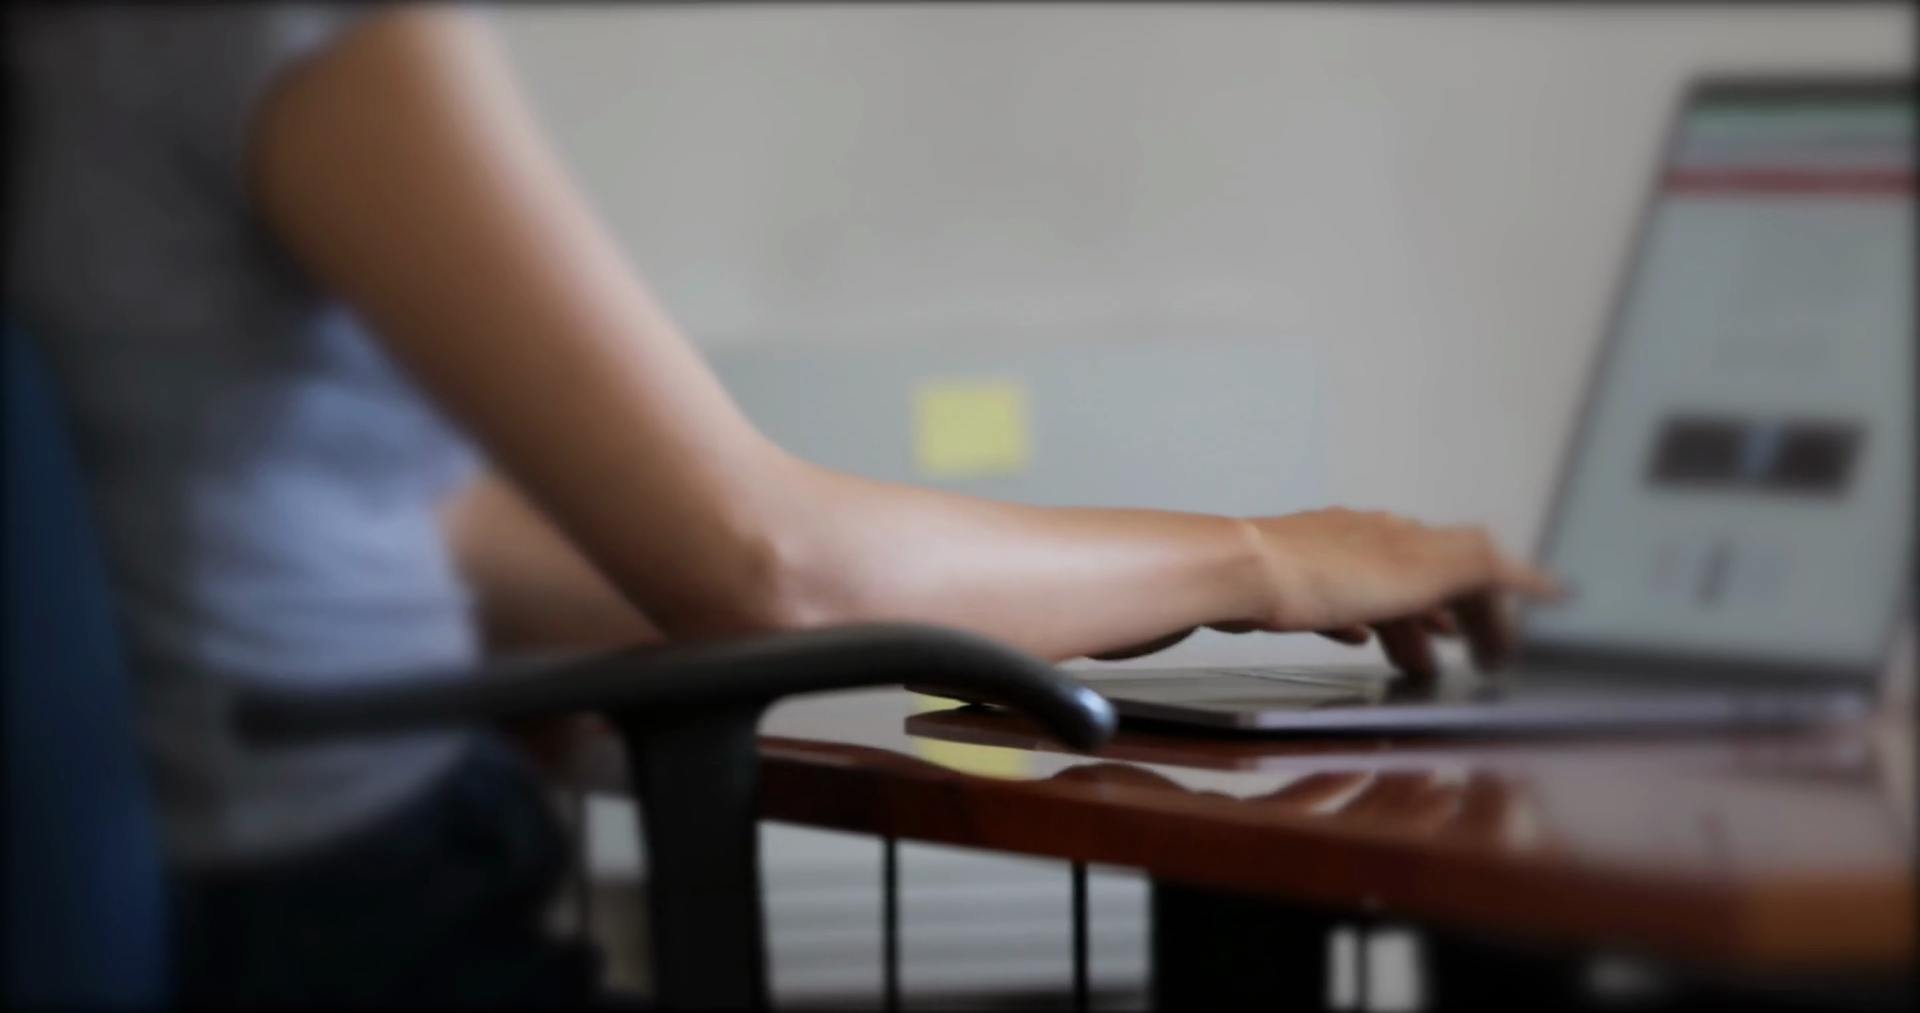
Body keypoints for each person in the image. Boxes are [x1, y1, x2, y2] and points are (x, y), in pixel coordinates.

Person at [5, 3, 1557, 1006]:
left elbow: (446, 545)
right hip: (343, 916)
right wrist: (1264, 558)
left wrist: (1024, 588)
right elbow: (768, 563)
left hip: (193, 884)